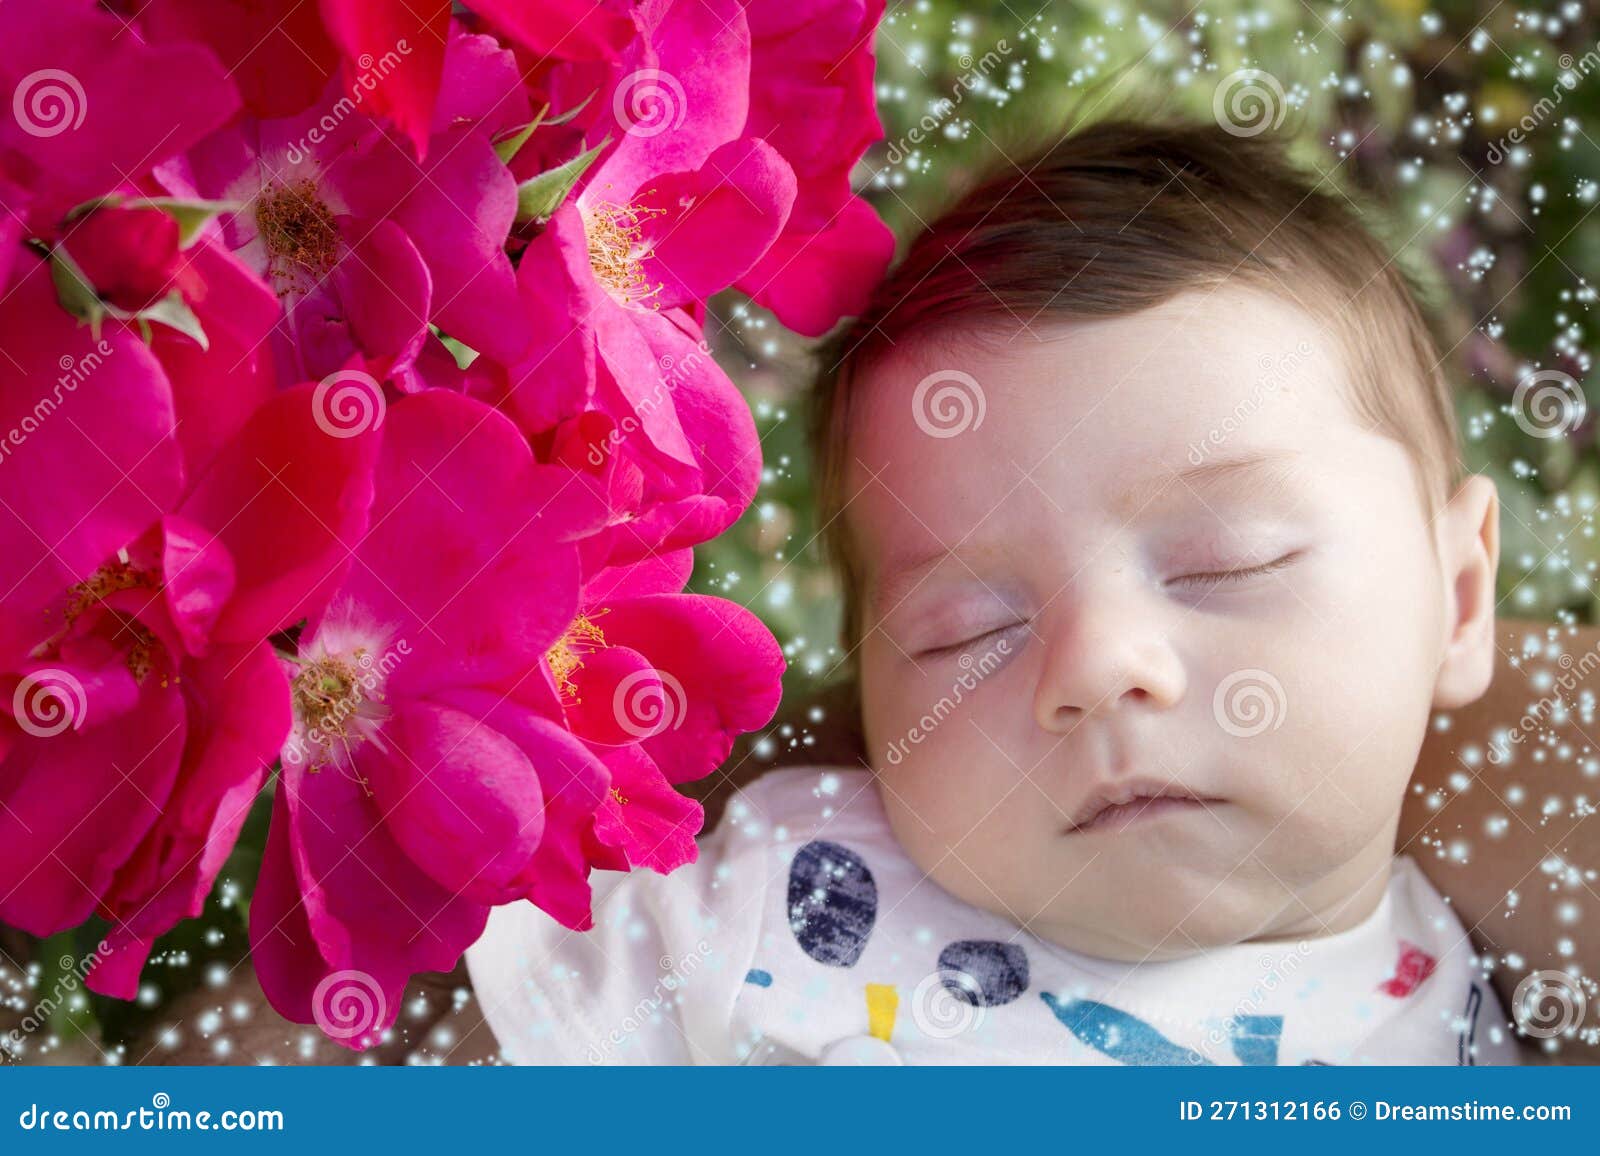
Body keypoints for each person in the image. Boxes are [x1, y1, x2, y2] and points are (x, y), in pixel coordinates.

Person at [465, 117, 1566, 1064]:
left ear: (1460, 597)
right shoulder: (791, 898)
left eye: (1226, 562)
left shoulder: (1490, 1017)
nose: (1093, 665)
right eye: (965, 632)